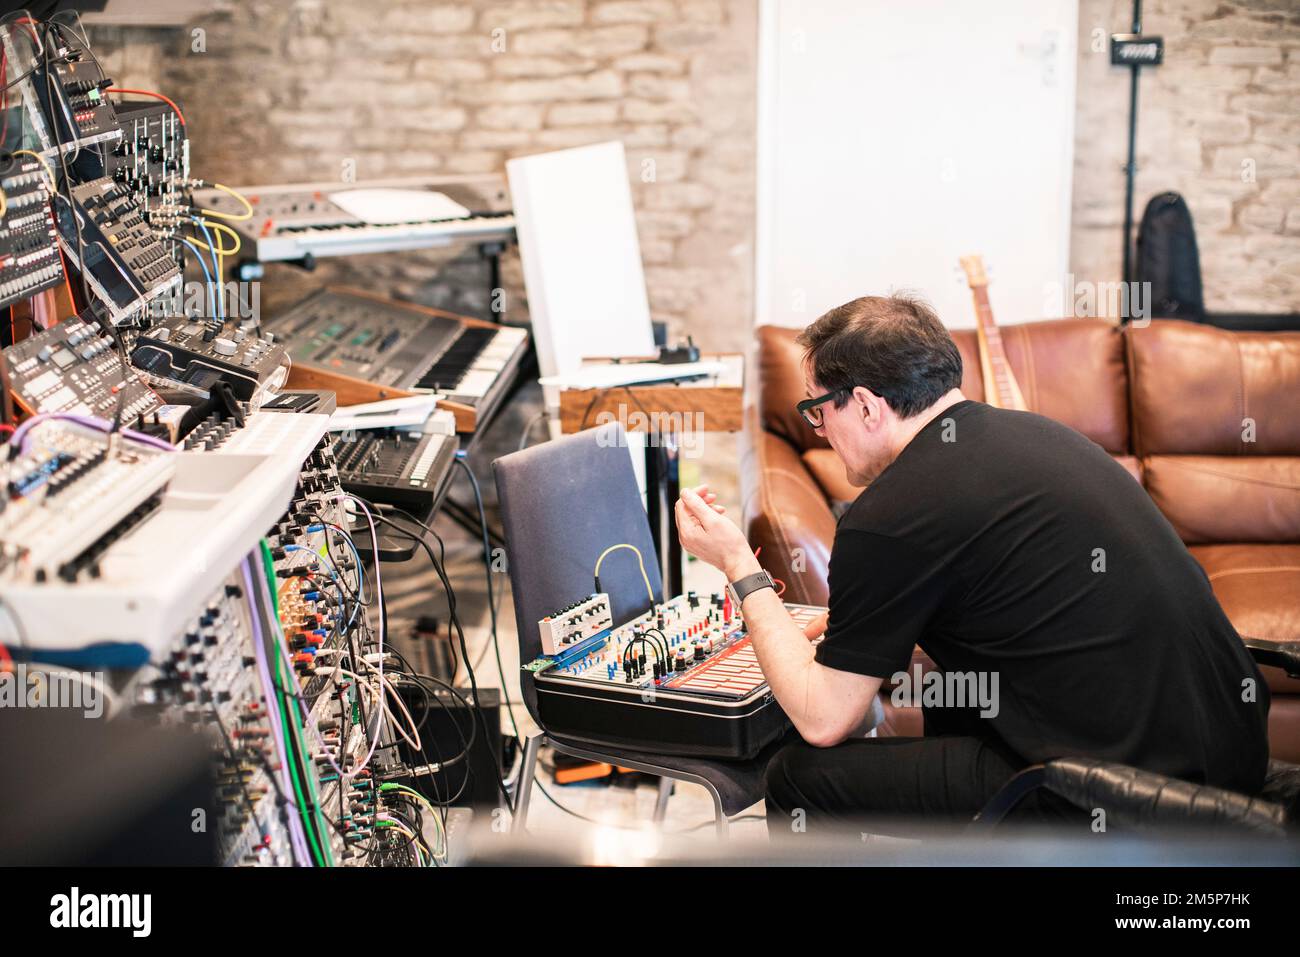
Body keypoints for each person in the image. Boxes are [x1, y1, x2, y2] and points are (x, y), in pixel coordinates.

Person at [674, 293, 1271, 836]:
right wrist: (868, 630)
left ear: (864, 404)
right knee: (953, 693)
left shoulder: (891, 513)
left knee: (798, 776)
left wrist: (737, 566)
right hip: (1232, 750)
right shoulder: (1036, 435)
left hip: (1125, 793)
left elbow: (822, 719)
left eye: (818, 411)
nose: (820, 429)